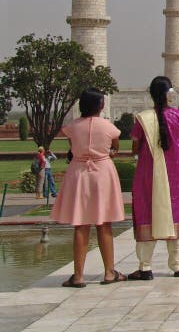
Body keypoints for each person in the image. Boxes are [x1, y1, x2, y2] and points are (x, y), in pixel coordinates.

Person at [52, 88, 127, 286]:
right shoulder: (108, 126)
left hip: (78, 173)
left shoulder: (72, 127)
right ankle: (110, 273)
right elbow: (115, 147)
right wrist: (106, 153)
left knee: (81, 224)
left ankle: (78, 276)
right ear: (100, 105)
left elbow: (72, 147)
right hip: (102, 173)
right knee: (104, 223)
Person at [129, 76, 179, 280]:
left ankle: (145, 267)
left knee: (147, 214)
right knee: (176, 213)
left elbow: (135, 147)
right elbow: (178, 137)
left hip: (148, 175)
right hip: (175, 174)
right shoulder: (177, 116)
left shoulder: (142, 118)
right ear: (169, 94)